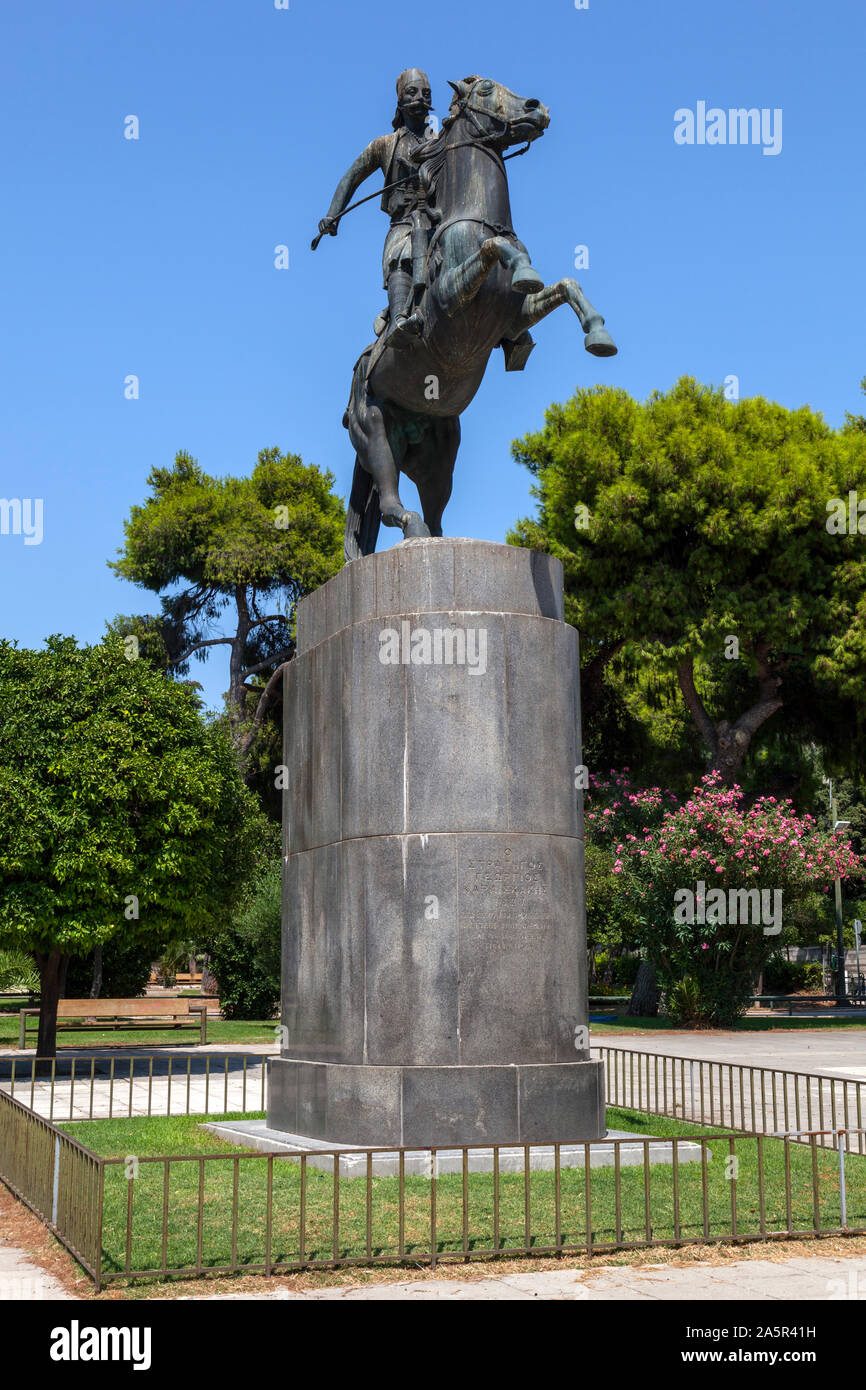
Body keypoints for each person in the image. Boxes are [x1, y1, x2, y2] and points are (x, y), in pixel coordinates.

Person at [318, 68, 436, 347]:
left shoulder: (441, 140)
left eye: (426, 93)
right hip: (403, 225)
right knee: (401, 256)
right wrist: (332, 214)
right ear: (400, 101)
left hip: (439, 220)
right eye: (413, 92)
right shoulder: (384, 145)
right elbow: (351, 177)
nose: (420, 98)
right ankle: (397, 320)